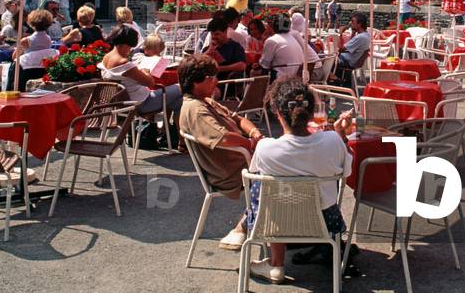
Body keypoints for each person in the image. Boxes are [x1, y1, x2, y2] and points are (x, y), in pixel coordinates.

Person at [244, 77, 353, 284]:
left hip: (276, 224)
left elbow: (256, 183)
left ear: (277, 112)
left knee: (266, 190)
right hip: (324, 223)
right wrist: (340, 134)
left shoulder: (265, 148)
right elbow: (346, 170)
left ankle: (276, 264)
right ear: (312, 112)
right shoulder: (333, 142)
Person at [177, 54, 265, 249]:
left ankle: (274, 227)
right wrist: (250, 144)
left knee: (288, 163)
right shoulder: (195, 109)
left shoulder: (205, 100)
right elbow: (223, 137)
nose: (216, 81)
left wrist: (254, 133)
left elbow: (238, 119)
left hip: (242, 159)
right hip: (229, 171)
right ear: (195, 81)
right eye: (211, 77)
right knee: (286, 171)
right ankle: (244, 226)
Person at [100, 24, 182, 133]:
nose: (130, 50)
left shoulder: (106, 58)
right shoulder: (123, 63)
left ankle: (171, 135)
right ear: (127, 44)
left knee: (178, 101)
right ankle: (177, 137)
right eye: (130, 47)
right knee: (182, 88)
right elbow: (150, 82)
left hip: (123, 103)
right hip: (141, 103)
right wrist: (145, 72)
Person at [6, 9, 56, 91]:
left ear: (31, 23)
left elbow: (14, 57)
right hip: (43, 69)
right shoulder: (48, 39)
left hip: (27, 70)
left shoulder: (26, 40)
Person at [258, 14, 317, 81]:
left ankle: (262, 91)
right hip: (297, 79)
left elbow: (265, 65)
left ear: (273, 26)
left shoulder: (272, 40)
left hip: (282, 80)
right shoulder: (292, 38)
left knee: (255, 72)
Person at [332, 11, 370, 84]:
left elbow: (340, 49)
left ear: (359, 24)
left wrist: (340, 33)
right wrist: (353, 33)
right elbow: (349, 46)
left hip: (347, 61)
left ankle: (334, 79)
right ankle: (334, 77)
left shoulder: (360, 37)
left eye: (353, 22)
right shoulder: (366, 35)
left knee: (327, 60)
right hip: (353, 60)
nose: (350, 23)